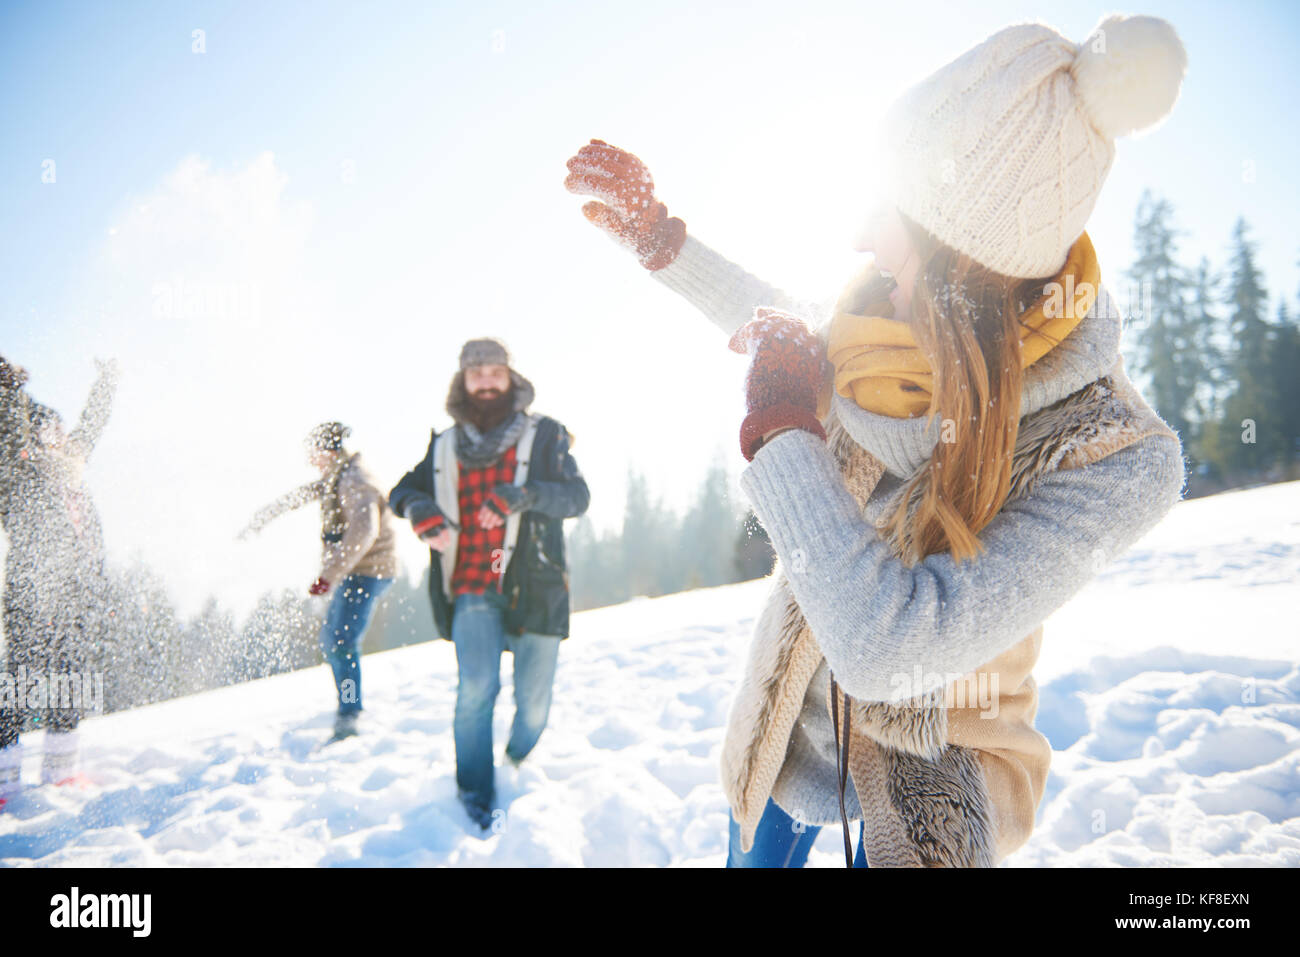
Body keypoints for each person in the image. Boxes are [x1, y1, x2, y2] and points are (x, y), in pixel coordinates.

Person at [566, 14, 1189, 867]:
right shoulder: (880, 330)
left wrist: (782, 432)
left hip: (936, 770)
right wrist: (661, 242)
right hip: (792, 719)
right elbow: (777, 315)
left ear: (960, 250)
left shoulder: (1111, 454)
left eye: (889, 211)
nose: (860, 236)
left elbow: (888, 655)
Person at [389, 338, 589, 831]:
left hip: (535, 585)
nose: (484, 380)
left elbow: (576, 498)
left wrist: (521, 496)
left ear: (510, 377)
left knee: (535, 703)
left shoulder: (545, 436)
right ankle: (474, 791)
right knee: (476, 687)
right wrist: (419, 509)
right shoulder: (444, 445)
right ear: (462, 381)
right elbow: (402, 491)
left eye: (493, 371)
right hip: (474, 583)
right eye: (474, 372)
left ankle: (517, 763)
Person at [1, 356, 118, 809]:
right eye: (52, 431)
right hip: (30, 586)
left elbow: (93, 422)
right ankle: (5, 781)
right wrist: (9, 387)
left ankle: (60, 772)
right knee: (21, 678)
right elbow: (10, 425)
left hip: (76, 587)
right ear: (35, 437)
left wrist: (107, 381)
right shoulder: (16, 470)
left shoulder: (73, 470)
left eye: (63, 432)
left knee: (71, 673)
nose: (63, 438)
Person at [239, 422, 397, 740]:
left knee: (340, 642)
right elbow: (302, 495)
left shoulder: (357, 481)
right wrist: (262, 517)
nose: (311, 461)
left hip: (367, 573)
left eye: (314, 454)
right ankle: (348, 705)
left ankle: (350, 712)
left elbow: (364, 533)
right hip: (357, 572)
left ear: (328, 451)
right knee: (333, 640)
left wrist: (329, 575)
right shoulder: (338, 475)